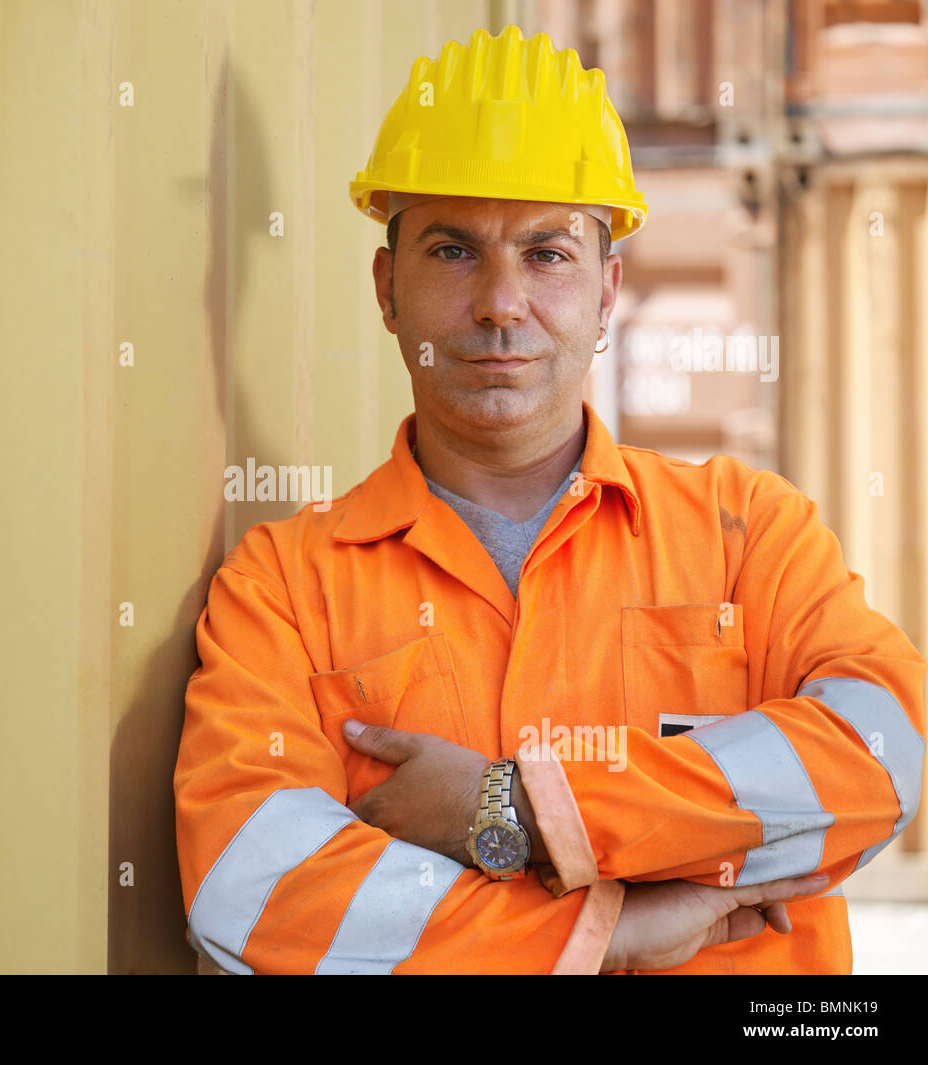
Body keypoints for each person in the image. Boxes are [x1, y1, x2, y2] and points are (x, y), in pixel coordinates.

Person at [173, 24, 925, 974]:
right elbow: (249, 883)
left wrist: (517, 808)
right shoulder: (283, 589)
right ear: (388, 289)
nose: (500, 302)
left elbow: (881, 750)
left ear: (607, 292)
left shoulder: (749, 532)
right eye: (453, 250)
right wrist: (601, 932)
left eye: (547, 254)